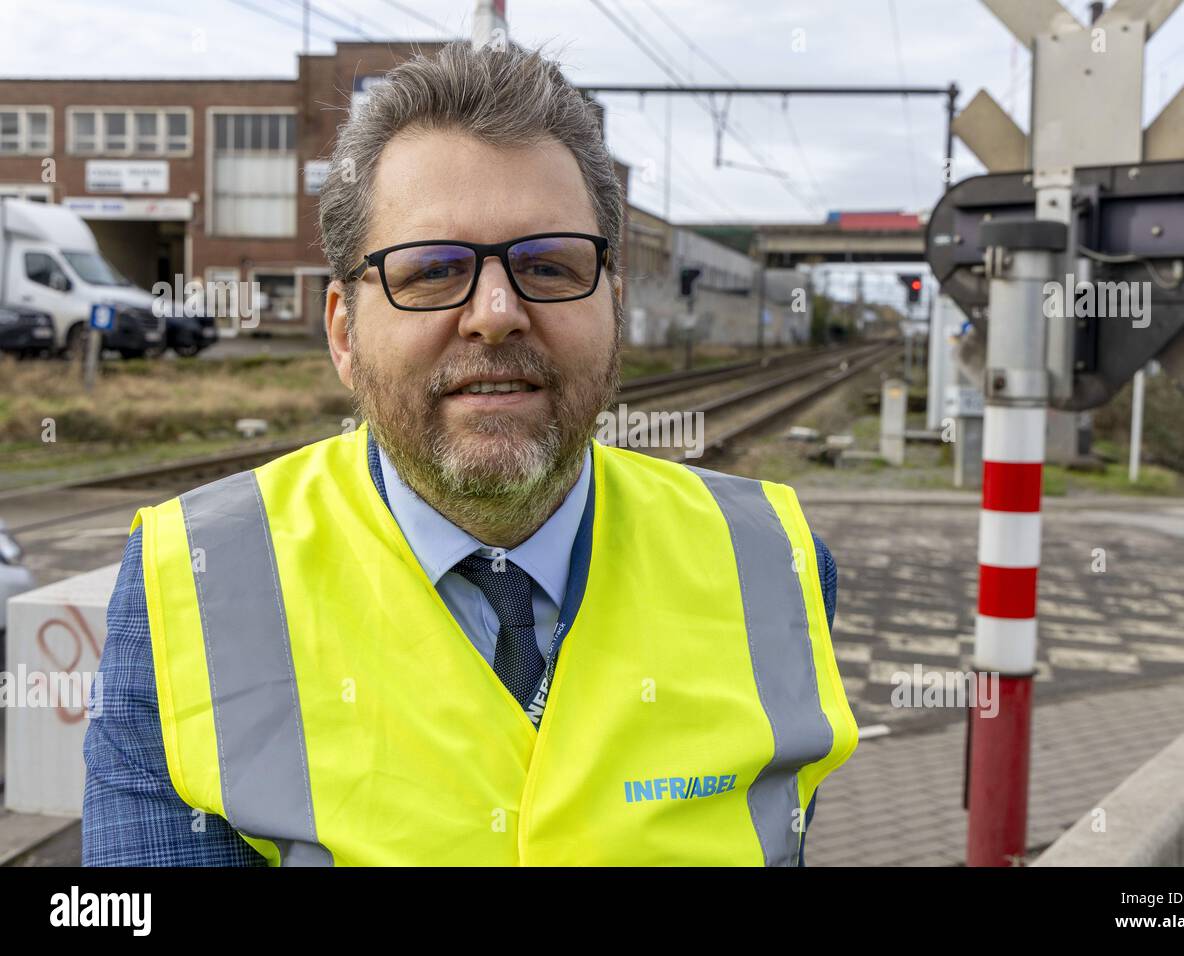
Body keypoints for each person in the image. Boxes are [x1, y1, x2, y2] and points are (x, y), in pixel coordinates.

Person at [82, 39, 858, 867]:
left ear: (614, 308)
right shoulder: (196, 579)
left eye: (549, 266)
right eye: (431, 270)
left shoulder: (774, 565)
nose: (496, 312)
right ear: (345, 332)